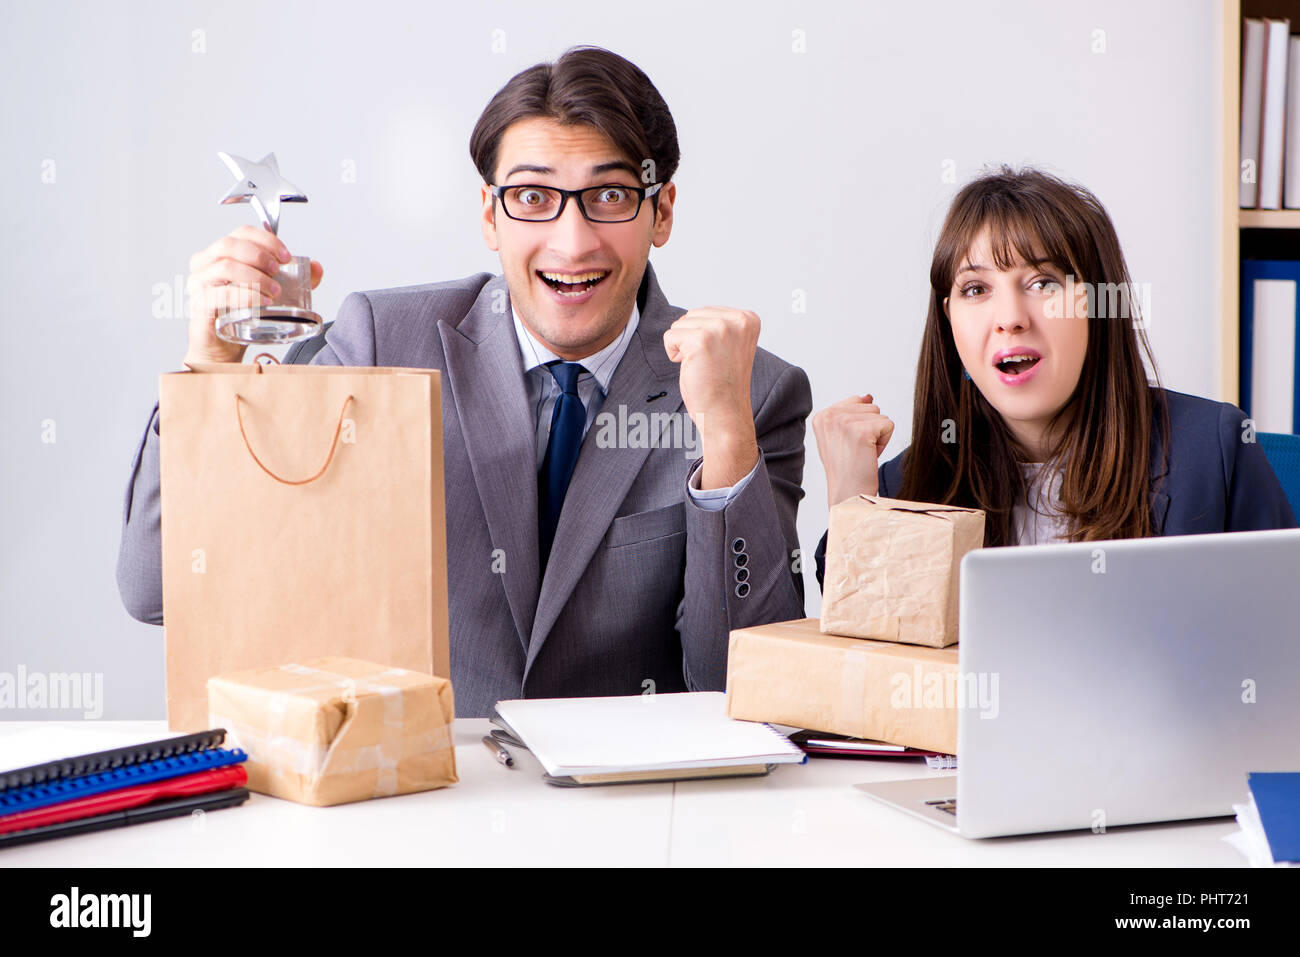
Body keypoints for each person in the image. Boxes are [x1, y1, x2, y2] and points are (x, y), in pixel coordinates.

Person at [117, 46, 812, 717]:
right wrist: (211, 366)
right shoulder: (384, 344)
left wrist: (723, 439)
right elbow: (161, 591)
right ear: (490, 214)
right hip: (418, 798)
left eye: (609, 195)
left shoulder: (752, 393)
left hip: (631, 815)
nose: (573, 243)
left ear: (661, 213)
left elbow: (743, 685)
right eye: (534, 196)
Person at [813, 166, 1296, 586]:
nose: (1010, 317)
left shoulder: (1215, 451)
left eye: (1042, 282)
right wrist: (854, 506)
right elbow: (864, 672)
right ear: (949, 322)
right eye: (976, 288)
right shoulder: (903, 488)